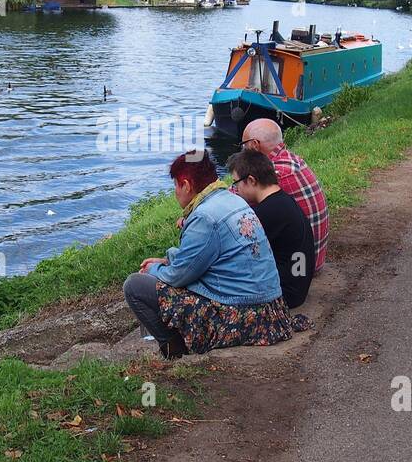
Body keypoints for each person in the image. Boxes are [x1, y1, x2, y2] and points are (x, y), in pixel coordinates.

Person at [123, 151, 303, 358]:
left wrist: (153, 269)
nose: (175, 192)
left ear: (187, 185)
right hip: (272, 309)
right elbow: (203, 255)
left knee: (135, 286)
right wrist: (168, 260)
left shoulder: (204, 216)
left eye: (176, 185)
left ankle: (175, 351)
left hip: (244, 315)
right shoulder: (233, 199)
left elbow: (178, 276)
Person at [238, 118, 328, 273]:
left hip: (298, 270)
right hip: (311, 257)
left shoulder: (274, 174)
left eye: (243, 145)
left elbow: (232, 206)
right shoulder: (290, 160)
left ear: (254, 145)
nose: (242, 151)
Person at [228, 148, 315, 307]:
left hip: (285, 295)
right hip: (297, 285)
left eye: (236, 183)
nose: (236, 190)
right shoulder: (283, 201)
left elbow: (232, 251)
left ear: (252, 181)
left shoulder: (266, 213)